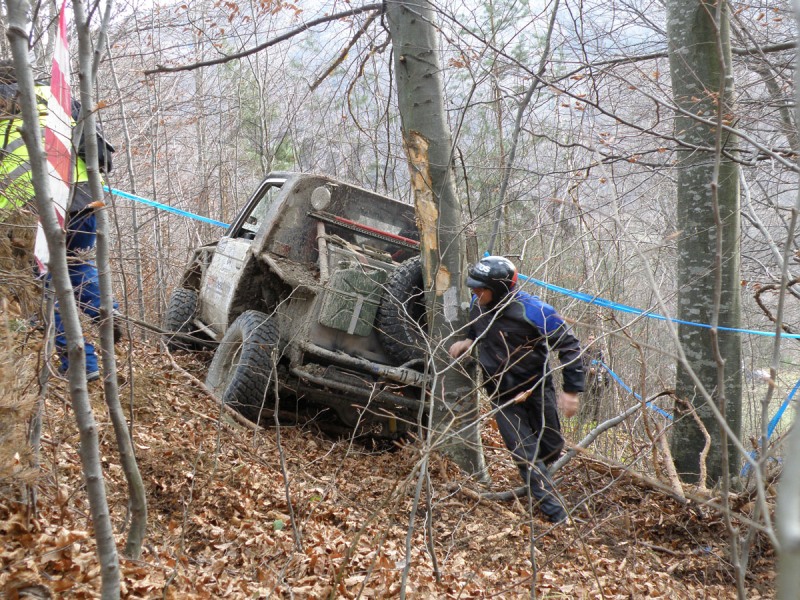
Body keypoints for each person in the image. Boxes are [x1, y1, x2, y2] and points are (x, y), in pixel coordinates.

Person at [0, 62, 117, 381]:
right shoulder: (56, 95)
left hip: (32, 210)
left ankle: (82, 365)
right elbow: (99, 151)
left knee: (52, 282)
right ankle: (106, 309)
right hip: (82, 198)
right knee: (78, 266)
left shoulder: (2, 109)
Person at [449, 256, 584, 524]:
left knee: (551, 445)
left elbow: (570, 346)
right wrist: (469, 340)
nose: (474, 293)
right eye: (473, 287)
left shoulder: (535, 311)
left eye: (480, 287)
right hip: (502, 395)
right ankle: (557, 517)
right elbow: (480, 328)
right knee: (525, 453)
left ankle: (537, 482)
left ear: (499, 288)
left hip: (536, 388)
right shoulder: (479, 306)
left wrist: (571, 391)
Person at [581, 333, 610, 423]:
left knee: (598, 402)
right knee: (588, 403)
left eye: (593, 339)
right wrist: (589, 370)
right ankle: (583, 421)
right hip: (587, 381)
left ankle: (595, 422)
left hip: (598, 381)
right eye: (589, 339)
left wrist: (603, 372)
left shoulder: (599, 352)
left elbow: (605, 365)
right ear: (587, 340)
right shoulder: (582, 351)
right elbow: (579, 366)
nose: (591, 341)